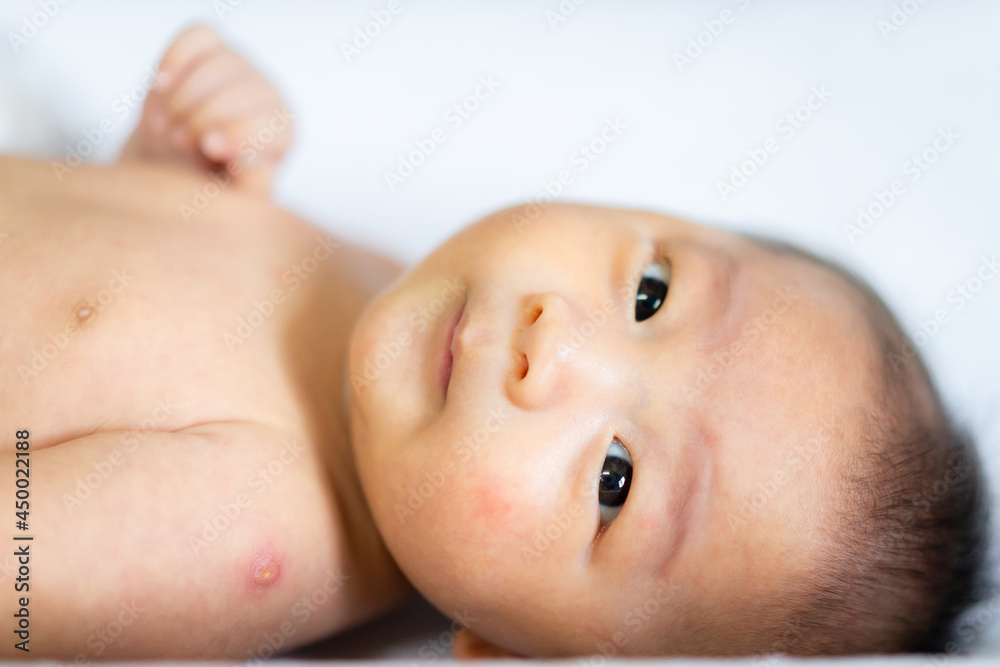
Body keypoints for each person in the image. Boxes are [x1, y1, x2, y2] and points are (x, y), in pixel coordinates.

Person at [0, 26, 985, 660]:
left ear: (509, 658)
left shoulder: (257, 539)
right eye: (650, 293)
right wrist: (172, 171)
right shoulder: (405, 295)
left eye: (615, 480)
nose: (551, 345)